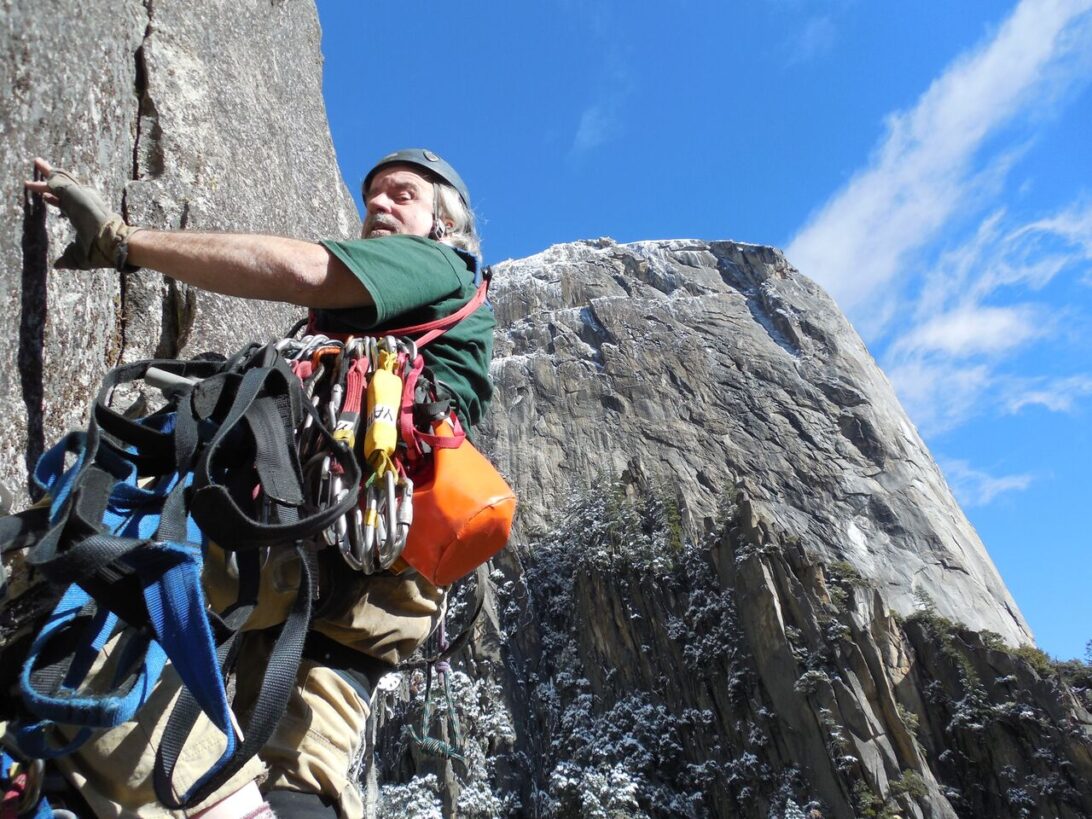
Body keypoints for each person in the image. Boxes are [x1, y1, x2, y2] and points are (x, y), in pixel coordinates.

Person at [20, 148, 495, 818]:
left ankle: (203, 800)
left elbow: (303, 269)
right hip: (386, 584)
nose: (380, 204)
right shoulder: (397, 326)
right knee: (304, 775)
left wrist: (125, 242)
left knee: (96, 592)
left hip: (310, 523)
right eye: (373, 195)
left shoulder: (436, 265)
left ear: (445, 223)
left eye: (404, 194)